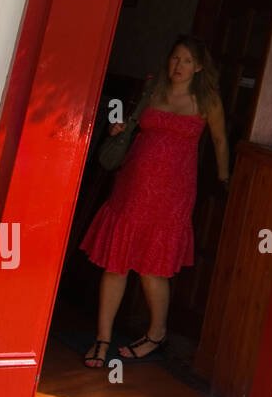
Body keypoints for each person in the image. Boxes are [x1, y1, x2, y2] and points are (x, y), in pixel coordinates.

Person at [80, 36, 229, 367]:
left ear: (199, 66)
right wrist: (118, 130)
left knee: (153, 268)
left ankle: (156, 333)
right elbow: (127, 122)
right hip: (133, 185)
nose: (178, 66)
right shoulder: (152, 89)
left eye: (187, 61)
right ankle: (102, 341)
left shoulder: (208, 100)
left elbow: (219, 141)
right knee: (115, 263)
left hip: (173, 194)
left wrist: (224, 180)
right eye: (175, 58)